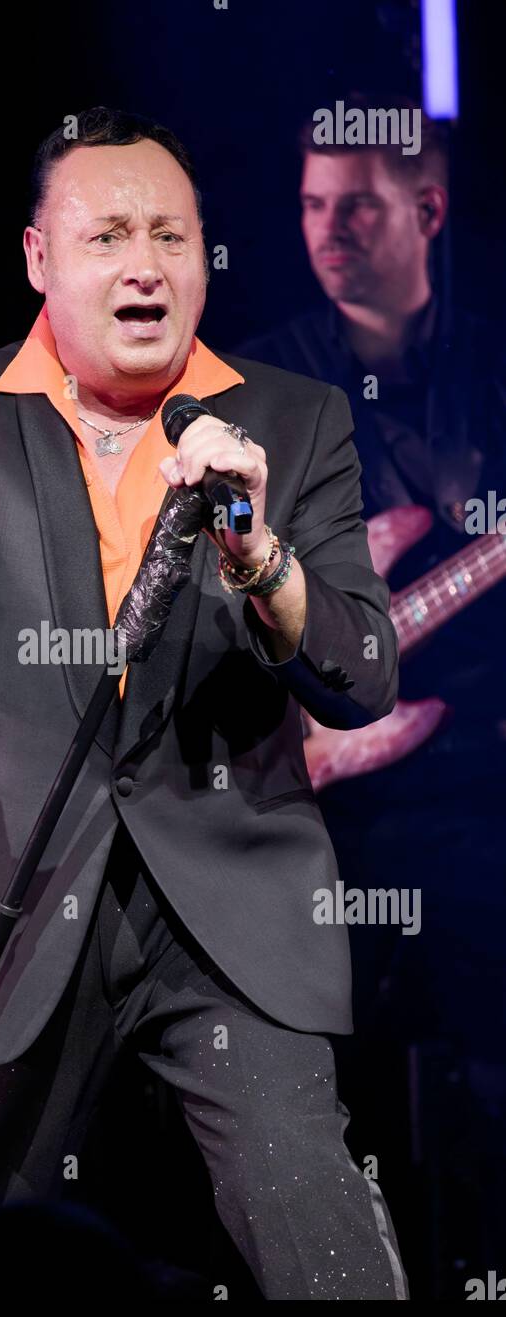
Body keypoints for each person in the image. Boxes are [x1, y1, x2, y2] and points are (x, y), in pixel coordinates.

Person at [0, 106, 409, 1300]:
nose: (147, 264)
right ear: (40, 258)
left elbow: (362, 673)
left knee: (329, 1256)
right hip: (0, 889)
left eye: (172, 236)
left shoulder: (293, 420)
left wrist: (256, 551)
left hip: (229, 902)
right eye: (110, 236)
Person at [235, 93, 506, 1063]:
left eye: (356, 205)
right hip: (311, 811)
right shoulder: (260, 387)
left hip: (477, 784)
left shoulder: (492, 370)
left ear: (428, 213)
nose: (327, 229)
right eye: (313, 205)